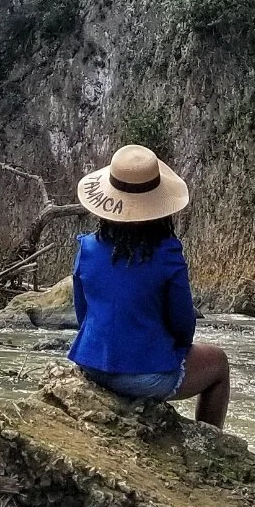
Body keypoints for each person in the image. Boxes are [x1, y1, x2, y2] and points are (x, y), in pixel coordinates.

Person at [68, 142, 230, 427]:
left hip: (91, 366)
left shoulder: (87, 248)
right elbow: (183, 327)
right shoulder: (167, 253)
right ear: (158, 206)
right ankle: (209, 441)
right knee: (219, 365)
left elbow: (83, 315)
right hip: (145, 377)